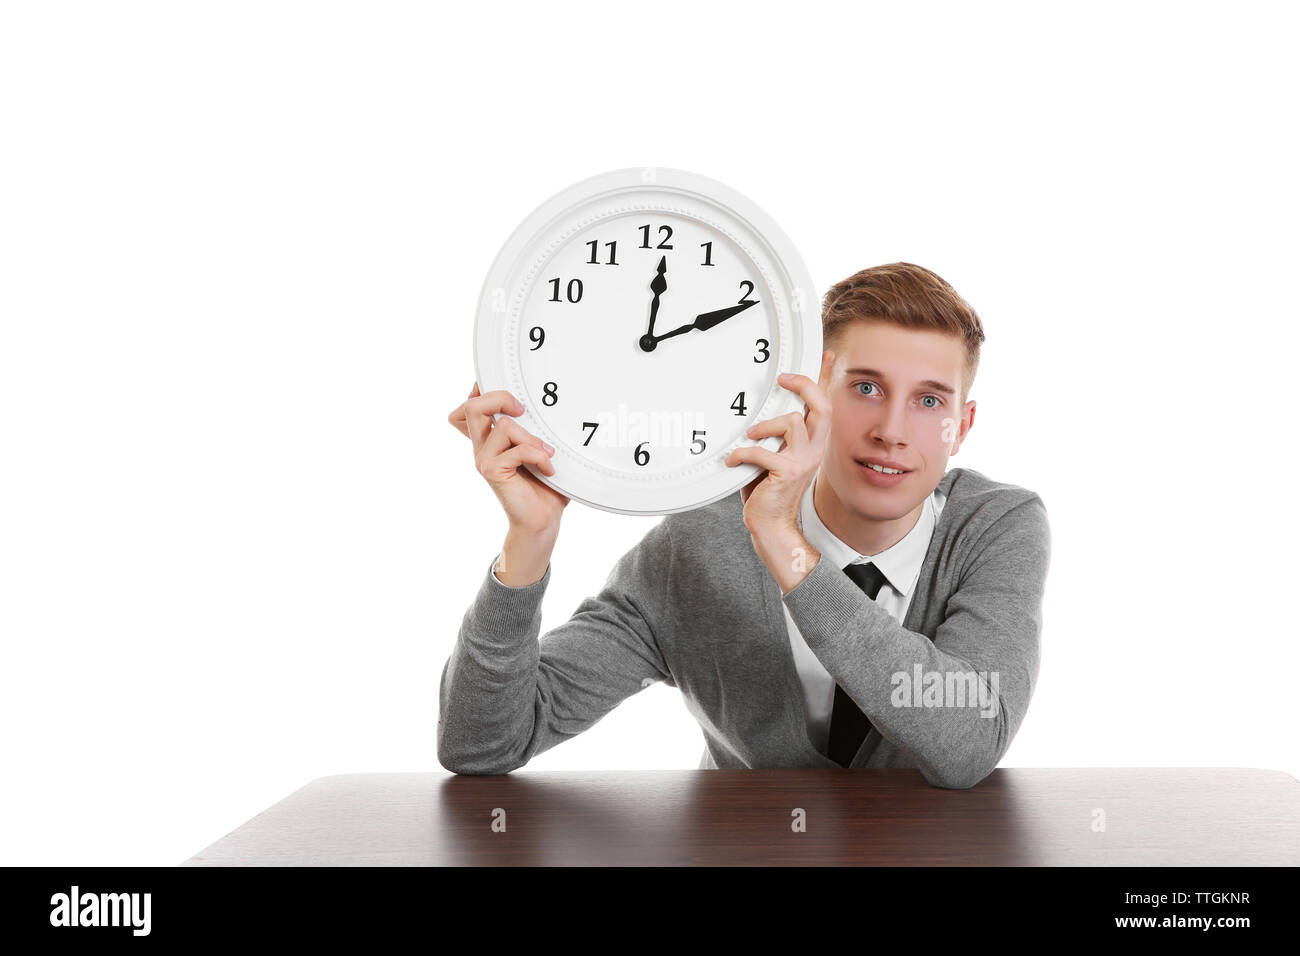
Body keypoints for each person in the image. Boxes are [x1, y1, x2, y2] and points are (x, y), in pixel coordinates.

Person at [439, 262, 1051, 788]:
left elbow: (969, 742)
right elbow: (481, 745)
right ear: (809, 395)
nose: (892, 430)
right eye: (865, 388)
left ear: (962, 425)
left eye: (928, 401)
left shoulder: (995, 527)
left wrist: (785, 544)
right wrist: (530, 542)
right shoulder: (697, 546)